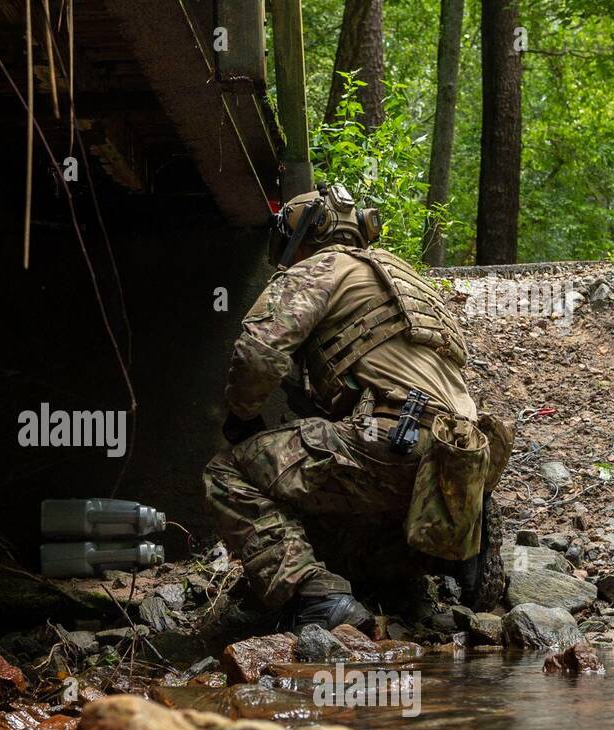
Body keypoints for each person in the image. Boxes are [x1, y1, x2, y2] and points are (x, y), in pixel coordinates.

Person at [204, 183, 502, 635]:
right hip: (460, 462)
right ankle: (441, 563)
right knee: (338, 500)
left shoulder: (321, 268)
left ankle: (316, 597)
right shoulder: (407, 280)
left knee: (228, 473)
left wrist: (242, 416)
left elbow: (258, 353)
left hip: (390, 441)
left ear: (301, 236)